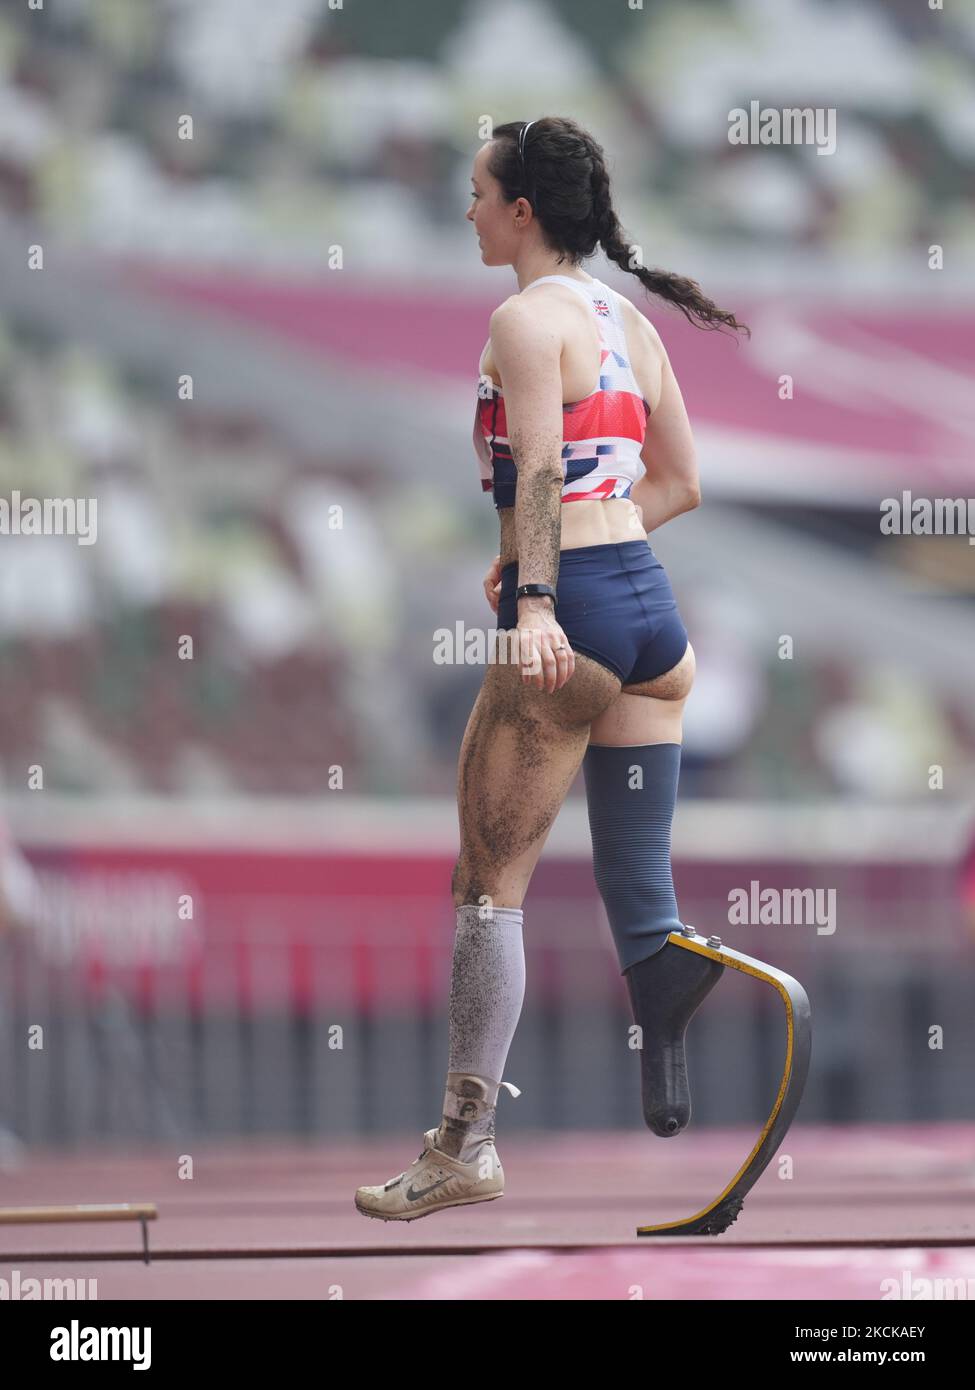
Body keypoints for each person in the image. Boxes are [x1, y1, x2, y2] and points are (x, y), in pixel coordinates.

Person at [355, 116, 749, 1221]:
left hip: (566, 619)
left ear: (523, 209)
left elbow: (536, 467)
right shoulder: (626, 320)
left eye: (478, 195)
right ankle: (665, 1024)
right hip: (650, 624)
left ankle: (463, 1145)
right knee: (639, 893)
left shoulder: (525, 319)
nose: (469, 212)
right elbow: (680, 484)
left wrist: (534, 594)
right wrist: (583, 559)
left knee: (489, 893)